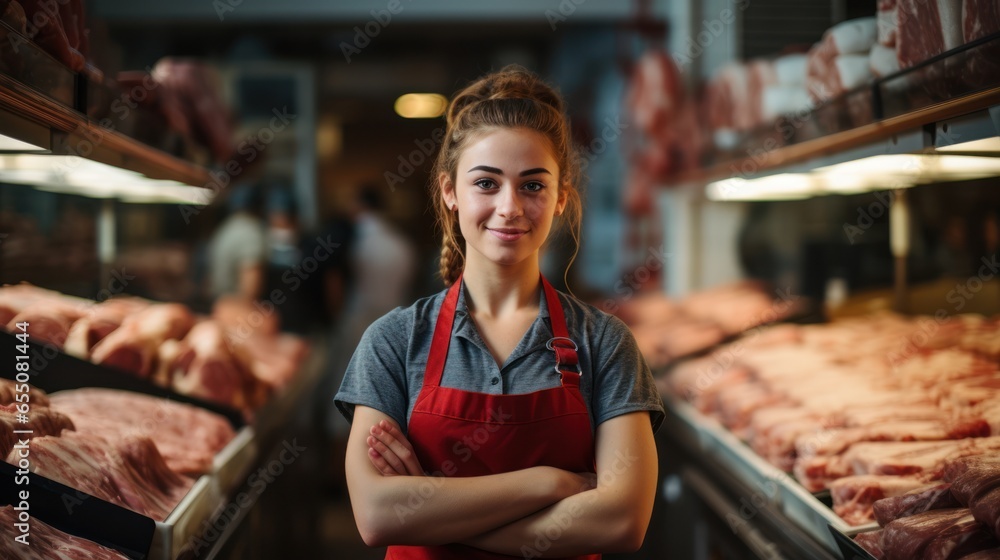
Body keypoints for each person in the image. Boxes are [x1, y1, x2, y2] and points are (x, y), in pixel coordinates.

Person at [334, 65, 664, 558]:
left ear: (560, 199)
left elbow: (622, 522)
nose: (509, 207)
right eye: (486, 183)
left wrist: (428, 513)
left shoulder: (605, 342)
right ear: (450, 192)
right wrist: (548, 483)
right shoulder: (394, 341)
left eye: (532, 186)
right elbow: (377, 516)